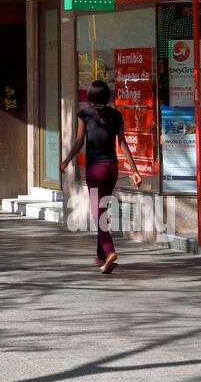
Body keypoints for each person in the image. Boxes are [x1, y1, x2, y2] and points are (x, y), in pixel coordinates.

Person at [60, 80, 143, 274]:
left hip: (95, 169)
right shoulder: (116, 114)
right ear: (107, 96)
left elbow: (80, 141)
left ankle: (110, 252)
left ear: (90, 96)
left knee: (99, 214)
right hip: (112, 168)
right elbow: (122, 143)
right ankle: (100, 255)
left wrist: (66, 161)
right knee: (102, 209)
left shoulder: (85, 115)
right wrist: (135, 170)